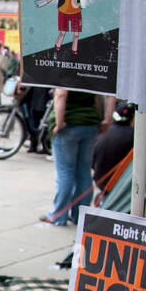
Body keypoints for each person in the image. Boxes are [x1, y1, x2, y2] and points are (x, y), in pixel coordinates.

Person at [42, 88, 113, 226]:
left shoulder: (67, 72)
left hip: (68, 123)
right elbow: (110, 94)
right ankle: (80, 216)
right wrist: (107, 120)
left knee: (65, 172)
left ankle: (58, 216)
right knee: (84, 172)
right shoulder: (95, 72)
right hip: (90, 123)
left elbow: (61, 94)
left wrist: (59, 122)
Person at [92, 101, 136, 197]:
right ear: (133, 118)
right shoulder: (135, 136)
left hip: (101, 181)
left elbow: (92, 160)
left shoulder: (102, 131)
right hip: (122, 184)